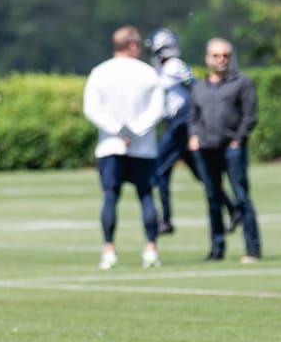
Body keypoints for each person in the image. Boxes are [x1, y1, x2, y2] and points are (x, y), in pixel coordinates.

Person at [82, 26, 166, 270]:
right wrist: (137, 129)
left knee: (110, 196)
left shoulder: (99, 72)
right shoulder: (148, 72)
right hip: (143, 146)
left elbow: (92, 109)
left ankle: (109, 249)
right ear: (132, 45)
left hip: (110, 145)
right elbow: (157, 109)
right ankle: (151, 248)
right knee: (147, 196)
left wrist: (117, 129)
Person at [188, 37, 261, 263]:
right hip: (206, 149)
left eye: (226, 56)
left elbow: (250, 116)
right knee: (213, 199)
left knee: (241, 197)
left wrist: (238, 140)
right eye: (216, 56)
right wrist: (193, 136)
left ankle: (252, 250)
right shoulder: (199, 87)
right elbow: (194, 117)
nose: (221, 60)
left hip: (231, 148)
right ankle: (216, 249)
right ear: (208, 58)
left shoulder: (242, 82)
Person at [146, 27, 197, 235]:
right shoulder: (170, 66)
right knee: (199, 174)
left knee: (159, 171)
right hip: (178, 124)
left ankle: (166, 220)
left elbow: (160, 88)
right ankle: (166, 219)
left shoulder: (173, 66)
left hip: (180, 124)